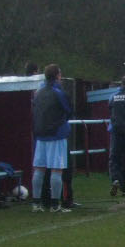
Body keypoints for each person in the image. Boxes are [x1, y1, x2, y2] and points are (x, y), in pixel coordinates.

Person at [30, 63, 73, 212]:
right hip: (56, 134)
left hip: (40, 135)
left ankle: (36, 203)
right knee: (57, 169)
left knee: (39, 169)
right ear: (57, 76)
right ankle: (55, 205)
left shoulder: (38, 92)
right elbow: (68, 110)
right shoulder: (59, 93)